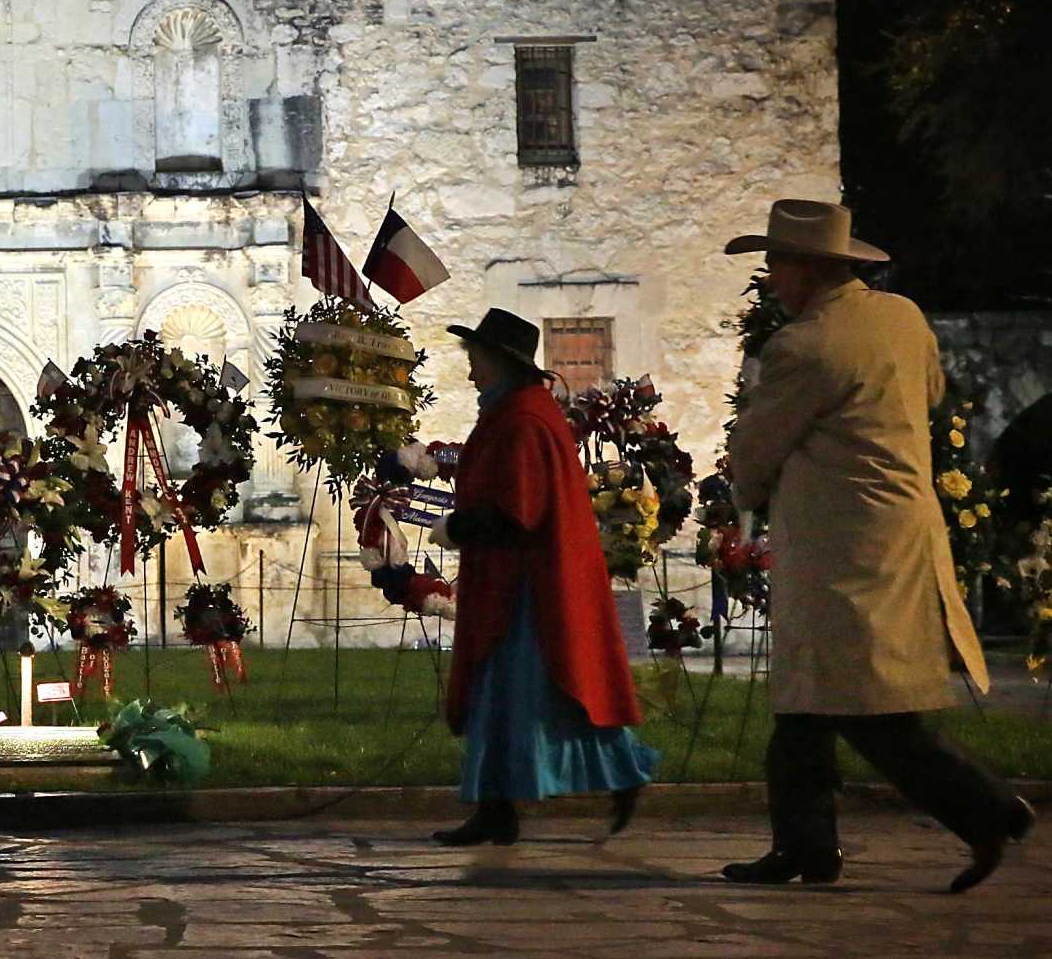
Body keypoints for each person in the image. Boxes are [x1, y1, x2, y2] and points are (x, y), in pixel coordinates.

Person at [722, 198, 1034, 891]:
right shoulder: (902, 319)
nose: (771, 277)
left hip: (841, 548)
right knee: (806, 705)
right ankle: (804, 847)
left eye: (776, 262)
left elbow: (757, 449)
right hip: (900, 532)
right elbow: (928, 395)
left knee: (862, 708)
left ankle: (986, 810)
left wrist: (747, 488)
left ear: (807, 267)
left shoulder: (805, 345)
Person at [430, 307, 658, 847]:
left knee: (545, 692)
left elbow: (518, 511)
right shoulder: (516, 413)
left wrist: (458, 526)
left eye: (476, 361)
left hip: (529, 591)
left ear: (501, 363)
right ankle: (496, 806)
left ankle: (622, 774)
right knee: (505, 697)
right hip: (514, 582)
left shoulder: (524, 421)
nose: (470, 374)